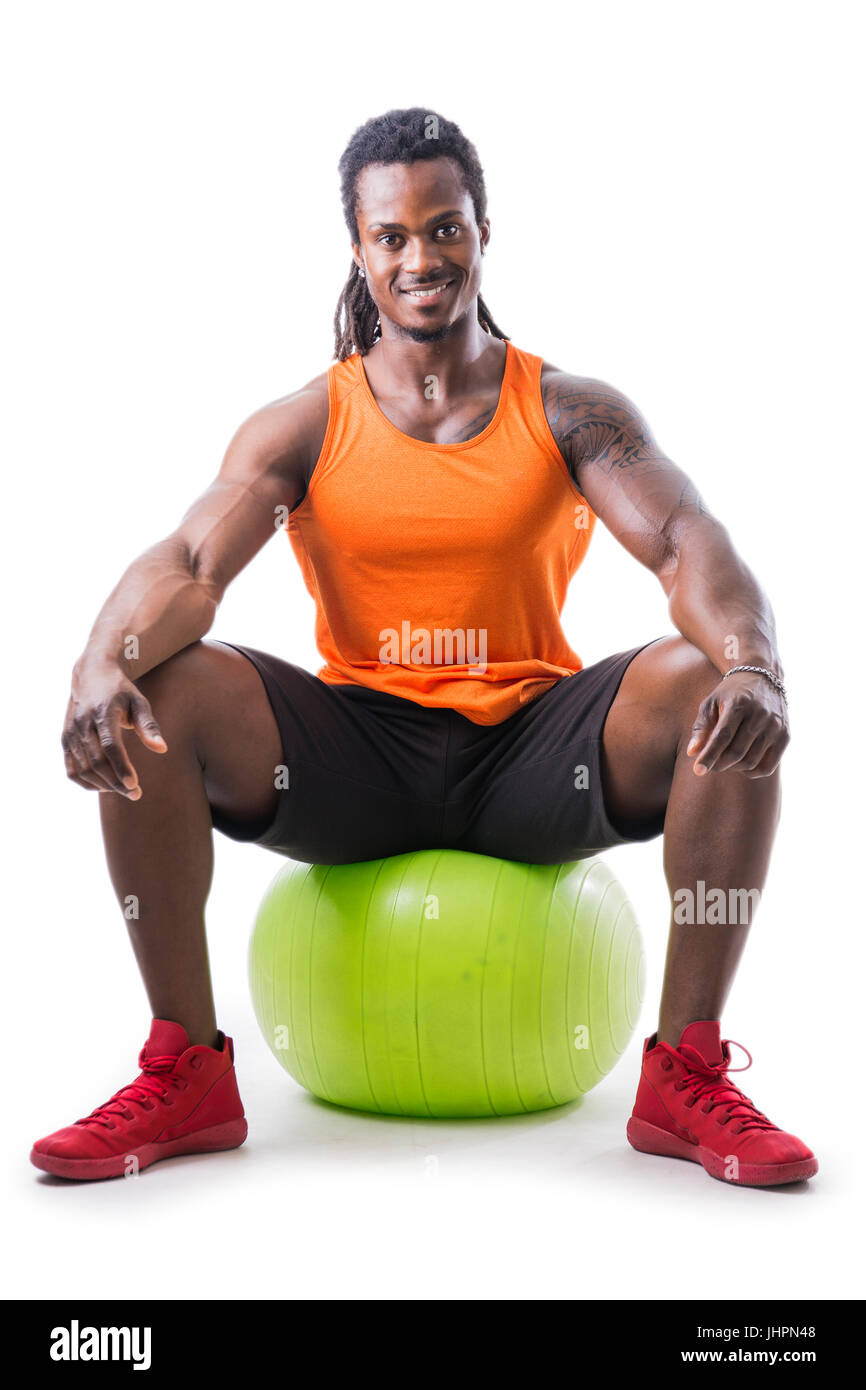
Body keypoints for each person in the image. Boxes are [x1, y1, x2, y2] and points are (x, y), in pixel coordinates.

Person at [32, 108, 816, 1188]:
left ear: (482, 231)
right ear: (356, 249)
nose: (418, 257)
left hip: (534, 759)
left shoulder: (570, 409)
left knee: (701, 681)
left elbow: (685, 542)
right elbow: (191, 566)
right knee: (157, 685)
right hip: (356, 756)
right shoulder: (304, 422)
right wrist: (98, 663)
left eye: (441, 228)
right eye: (390, 236)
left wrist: (751, 662)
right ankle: (187, 1071)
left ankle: (683, 1074)